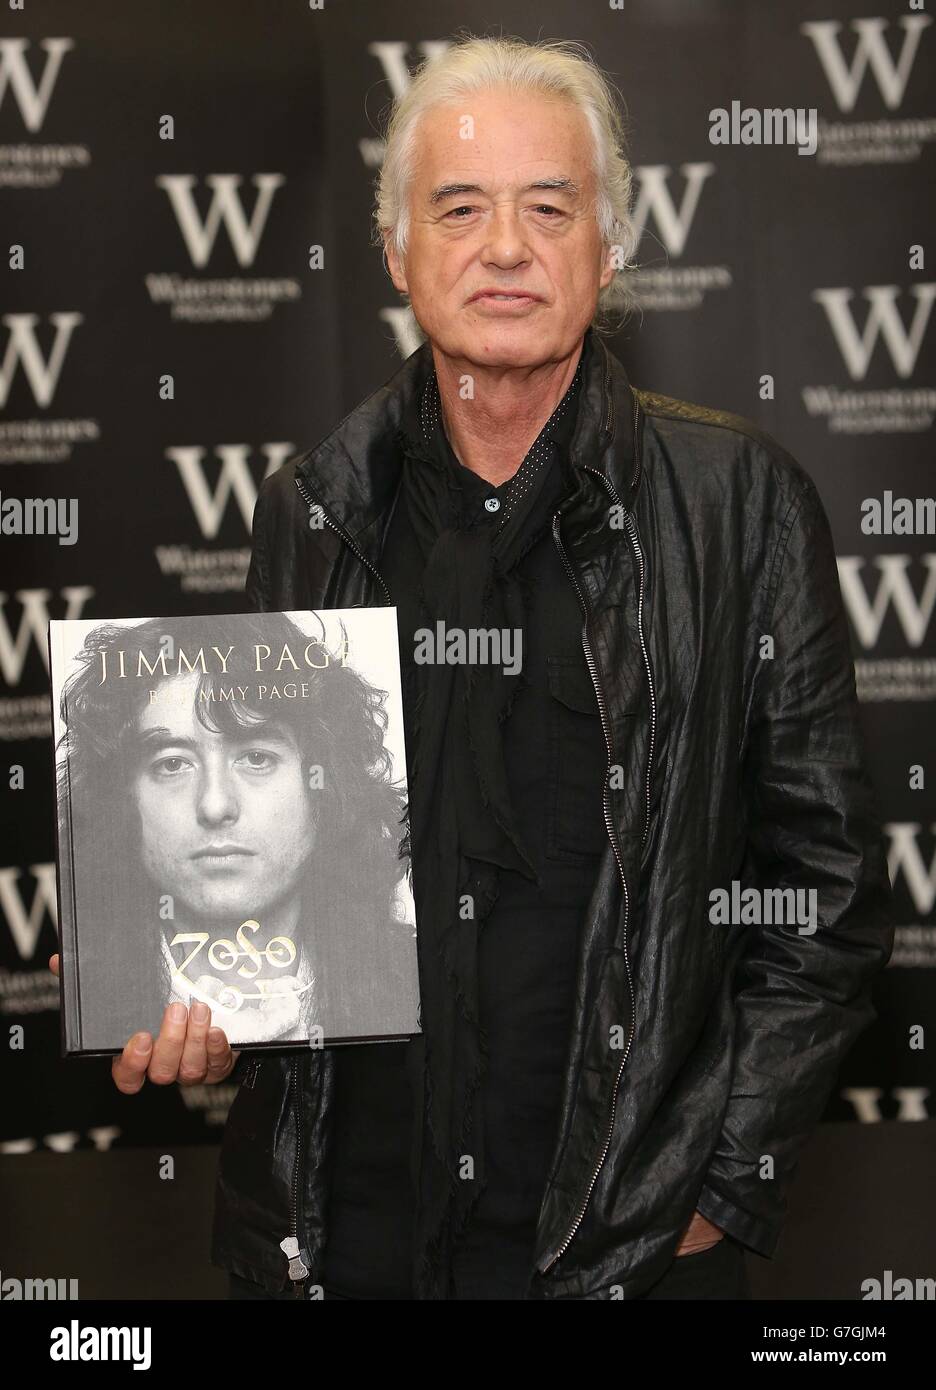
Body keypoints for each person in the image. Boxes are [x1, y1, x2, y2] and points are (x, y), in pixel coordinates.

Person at [53, 34, 894, 1301]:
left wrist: (721, 1182)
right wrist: (182, 976)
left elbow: (822, 889)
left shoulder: (741, 505)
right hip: (348, 1234)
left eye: (548, 209)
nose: (505, 247)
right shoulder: (316, 507)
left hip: (618, 1250)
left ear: (608, 250)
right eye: (459, 208)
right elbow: (274, 863)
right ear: (395, 252)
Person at [53, 610, 416, 1049]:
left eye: (257, 758)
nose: (215, 805)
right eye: (172, 763)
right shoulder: (82, 999)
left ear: (323, 785)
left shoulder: (417, 981)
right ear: (122, 800)